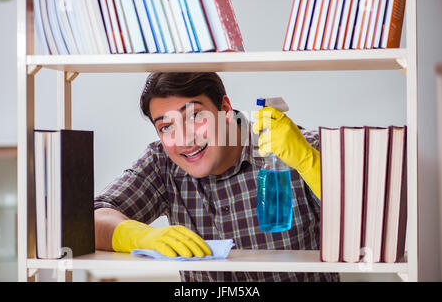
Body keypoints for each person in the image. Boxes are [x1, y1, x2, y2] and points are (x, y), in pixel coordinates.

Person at [94, 72, 339, 282]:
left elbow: (367, 224)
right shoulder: (162, 163)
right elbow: (88, 219)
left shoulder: (298, 149)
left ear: (225, 109)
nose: (185, 139)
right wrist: (140, 236)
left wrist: (310, 163)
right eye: (166, 127)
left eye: (195, 116)